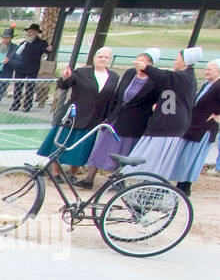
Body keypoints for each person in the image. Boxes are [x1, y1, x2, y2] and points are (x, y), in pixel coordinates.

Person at [79, 48, 161, 188]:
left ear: (150, 64)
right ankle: (89, 179)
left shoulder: (155, 81)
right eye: (137, 60)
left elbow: (158, 101)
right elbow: (117, 95)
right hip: (116, 117)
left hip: (135, 123)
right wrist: (108, 115)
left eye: (142, 62)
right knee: (101, 147)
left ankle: (118, 181)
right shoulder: (130, 73)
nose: (137, 64)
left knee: (124, 152)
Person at [38, 47, 117, 177]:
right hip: (73, 115)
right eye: (100, 57)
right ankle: (55, 172)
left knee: (81, 149)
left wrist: (106, 117)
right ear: (94, 58)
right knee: (62, 143)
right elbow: (65, 85)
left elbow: (111, 98)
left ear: (110, 60)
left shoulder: (113, 77)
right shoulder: (82, 72)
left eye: (106, 57)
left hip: (93, 119)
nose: (103, 59)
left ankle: (73, 174)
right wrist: (64, 77)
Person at [126, 46, 203, 178]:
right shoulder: (184, 78)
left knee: (154, 157)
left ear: (185, 63)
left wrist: (146, 67)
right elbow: (173, 96)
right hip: (170, 123)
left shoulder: (183, 77)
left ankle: (151, 182)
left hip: (169, 126)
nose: (174, 61)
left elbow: (163, 76)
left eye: (177, 59)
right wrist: (162, 106)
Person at [171, 58, 220, 194]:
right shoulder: (207, 84)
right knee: (185, 156)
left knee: (192, 158)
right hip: (194, 124)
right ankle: (181, 183)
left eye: (210, 69)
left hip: (205, 128)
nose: (206, 72)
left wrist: (217, 116)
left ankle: (185, 186)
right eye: (206, 69)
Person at [11, 23, 48, 112]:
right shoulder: (23, 43)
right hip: (20, 68)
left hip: (32, 68)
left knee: (29, 87)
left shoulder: (41, 43)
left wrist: (49, 48)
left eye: (32, 32)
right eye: (29, 32)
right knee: (18, 86)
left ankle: (27, 105)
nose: (29, 34)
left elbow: (47, 50)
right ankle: (16, 104)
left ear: (36, 33)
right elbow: (17, 54)